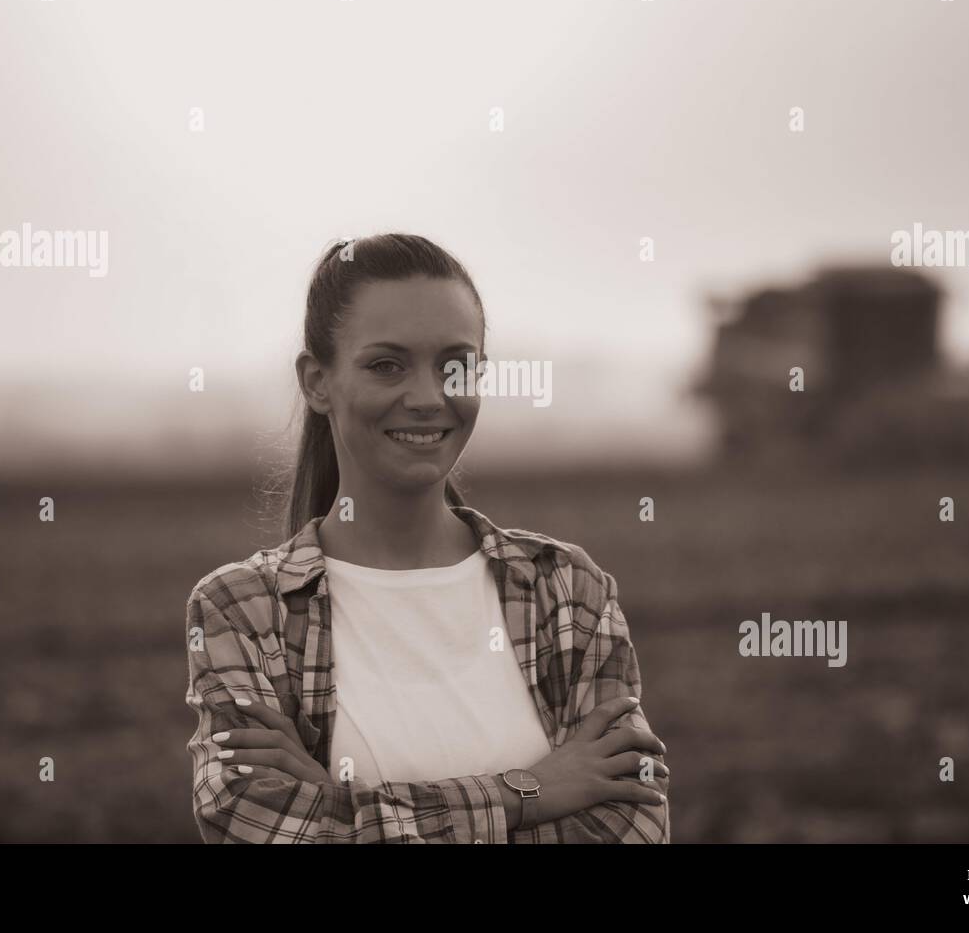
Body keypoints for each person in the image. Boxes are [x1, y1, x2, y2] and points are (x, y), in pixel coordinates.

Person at [184, 233, 671, 842]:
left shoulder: (566, 588)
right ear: (316, 381)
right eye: (387, 365)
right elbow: (253, 824)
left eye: (456, 366)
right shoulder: (243, 608)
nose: (427, 397)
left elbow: (631, 824)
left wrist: (337, 804)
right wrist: (533, 792)